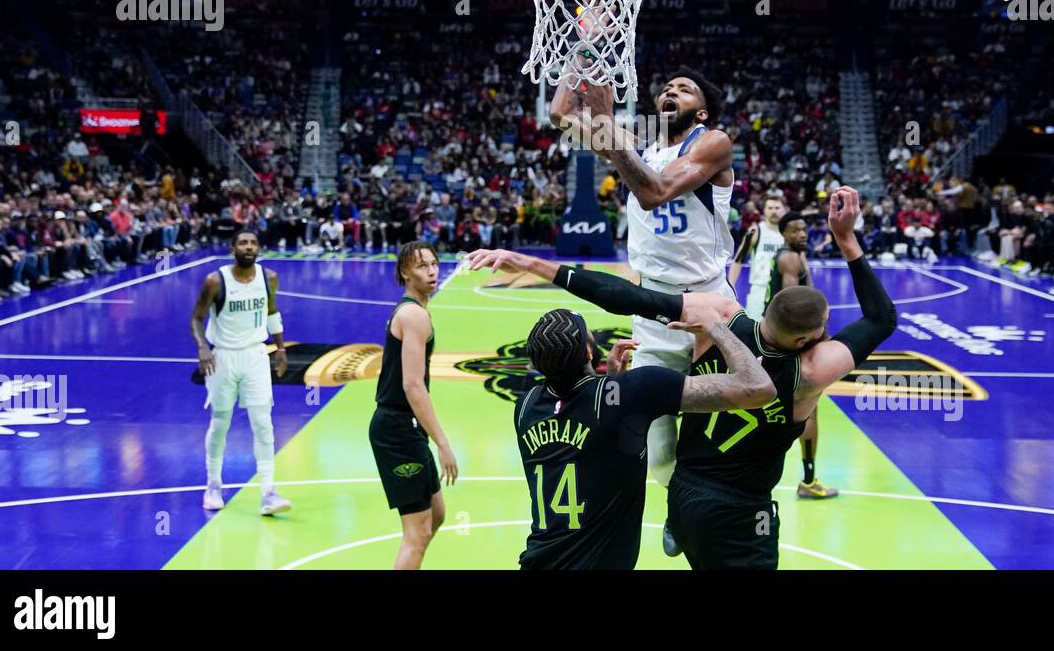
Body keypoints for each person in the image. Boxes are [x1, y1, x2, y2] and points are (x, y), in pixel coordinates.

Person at [468, 186, 897, 569]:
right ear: (808, 337)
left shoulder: (723, 314)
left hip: (684, 496)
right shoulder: (811, 369)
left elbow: (629, 296)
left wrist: (535, 264)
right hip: (740, 512)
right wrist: (846, 239)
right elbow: (881, 318)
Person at [551, 67, 734, 555]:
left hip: (707, 307)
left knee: (711, 435)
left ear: (700, 110)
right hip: (652, 304)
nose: (671, 90)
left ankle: (707, 514)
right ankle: (677, 503)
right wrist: (582, 52)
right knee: (656, 445)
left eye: (685, 88)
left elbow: (654, 193)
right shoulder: (640, 144)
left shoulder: (712, 141)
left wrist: (610, 130)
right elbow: (562, 113)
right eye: (666, 86)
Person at [509, 306, 773, 569]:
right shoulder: (635, 391)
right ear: (589, 352)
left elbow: (585, 440)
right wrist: (715, 325)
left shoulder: (526, 408)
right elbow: (758, 388)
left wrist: (611, 384)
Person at [369, 242, 459, 569]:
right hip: (397, 429)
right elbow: (412, 385)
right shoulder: (413, 314)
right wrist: (443, 443)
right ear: (405, 271)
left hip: (405, 427)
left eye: (434, 264)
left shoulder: (414, 310)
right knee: (417, 534)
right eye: (422, 266)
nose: (432, 271)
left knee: (436, 514)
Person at [189, 229, 291, 515]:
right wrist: (203, 348)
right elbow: (197, 319)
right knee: (221, 423)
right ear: (232, 248)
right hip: (223, 357)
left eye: (253, 243)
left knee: (263, 423)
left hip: (256, 355)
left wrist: (281, 349)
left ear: (259, 248)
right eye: (243, 243)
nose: (248, 247)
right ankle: (213, 485)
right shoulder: (215, 281)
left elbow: (272, 312)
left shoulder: (268, 277)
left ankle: (268, 492)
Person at [766, 211, 838, 500]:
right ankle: (808, 481)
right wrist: (818, 339)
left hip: (783, 343)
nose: (802, 234)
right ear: (783, 234)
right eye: (795, 230)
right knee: (806, 412)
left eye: (804, 229)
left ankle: (805, 478)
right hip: (791, 347)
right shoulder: (790, 259)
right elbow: (791, 308)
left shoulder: (795, 255)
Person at [730, 193, 787, 318]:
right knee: (755, 331)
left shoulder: (790, 234)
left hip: (784, 290)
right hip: (759, 290)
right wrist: (731, 286)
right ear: (764, 210)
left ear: (785, 210)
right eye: (770, 208)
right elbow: (738, 260)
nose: (774, 211)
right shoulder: (755, 232)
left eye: (777, 208)